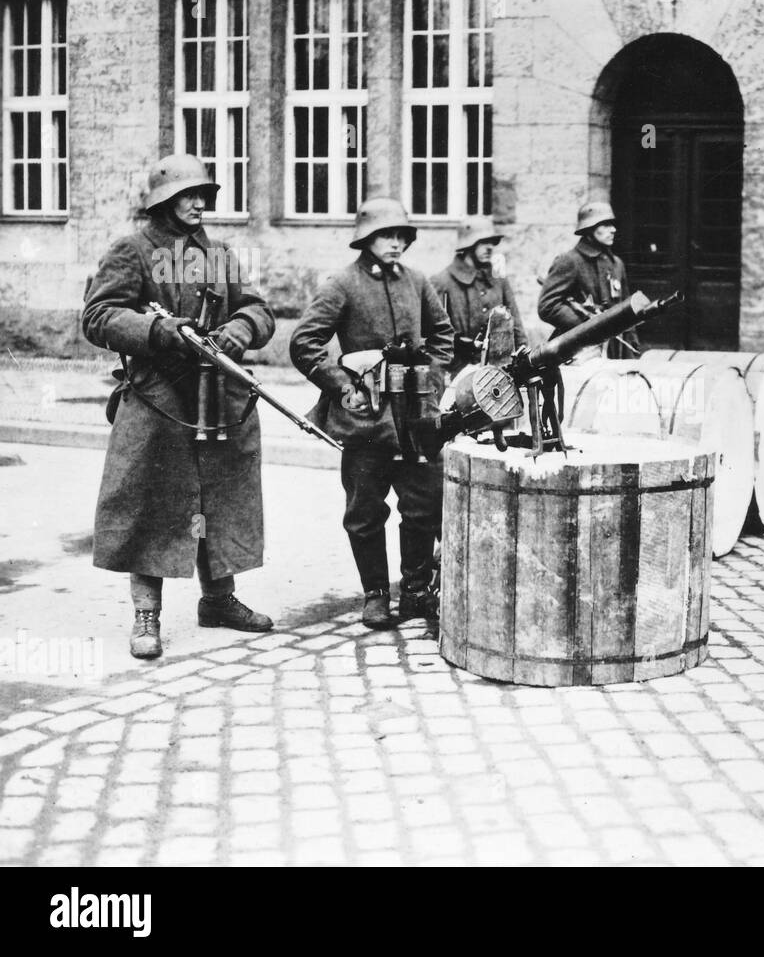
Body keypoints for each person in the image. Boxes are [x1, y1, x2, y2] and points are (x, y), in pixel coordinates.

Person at [82, 154, 276, 661]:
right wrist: (157, 330)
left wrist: (240, 329)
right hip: (157, 395)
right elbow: (99, 315)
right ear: (163, 201)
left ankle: (218, 600)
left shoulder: (219, 254)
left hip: (215, 394)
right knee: (153, 499)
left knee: (217, 498)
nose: (198, 203)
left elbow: (258, 308)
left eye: (203, 195)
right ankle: (146, 615)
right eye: (188, 195)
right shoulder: (133, 250)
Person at [289, 198, 454, 634]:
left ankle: (416, 589)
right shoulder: (342, 284)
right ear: (366, 238)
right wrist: (344, 388)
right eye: (387, 235)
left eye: (402, 236)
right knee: (364, 509)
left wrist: (432, 381)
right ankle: (377, 594)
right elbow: (305, 343)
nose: (396, 243)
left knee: (424, 504)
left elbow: (442, 336)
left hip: (416, 416)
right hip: (367, 421)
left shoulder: (418, 282)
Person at [537, 200, 639, 359]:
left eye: (612, 224)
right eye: (605, 225)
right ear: (589, 229)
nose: (613, 230)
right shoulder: (570, 261)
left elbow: (626, 307)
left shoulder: (616, 264)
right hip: (579, 349)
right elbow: (548, 306)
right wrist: (587, 326)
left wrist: (631, 341)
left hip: (615, 348)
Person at [431, 216, 527, 380]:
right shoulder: (442, 281)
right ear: (468, 245)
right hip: (457, 373)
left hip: (498, 372)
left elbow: (516, 326)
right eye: (483, 242)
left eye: (492, 242)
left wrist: (524, 359)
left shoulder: (498, 280)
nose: (489, 248)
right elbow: (434, 334)